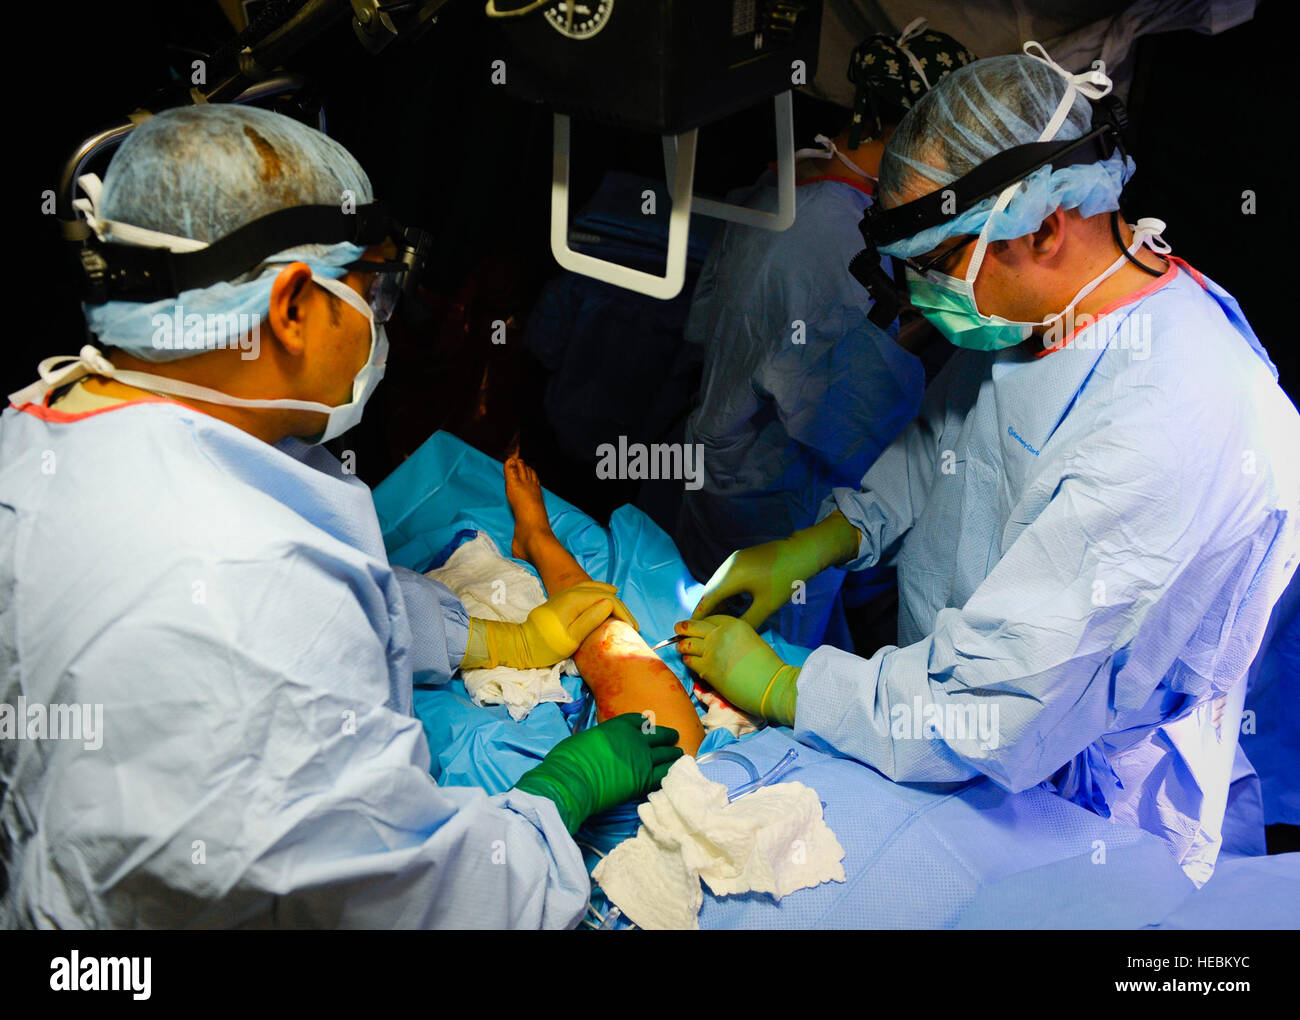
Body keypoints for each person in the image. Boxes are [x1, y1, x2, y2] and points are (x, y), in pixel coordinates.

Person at [0, 104, 681, 928]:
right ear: (290, 306)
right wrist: (549, 806)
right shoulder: (242, 597)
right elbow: (413, 904)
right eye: (375, 293)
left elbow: (330, 573)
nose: (383, 325)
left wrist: (501, 640)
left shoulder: (56, 423)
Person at [676, 44, 1300, 885]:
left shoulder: (1171, 419)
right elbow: (947, 444)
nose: (924, 297)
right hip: (939, 724)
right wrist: (827, 540)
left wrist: (790, 689)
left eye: (936, 266)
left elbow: (995, 713)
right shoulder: (1039, 318)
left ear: (1043, 227)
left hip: (1068, 795)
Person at [674, 20, 974, 650]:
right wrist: (947, 321)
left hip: (719, 456)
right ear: (904, 132)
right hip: (773, 492)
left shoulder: (793, 173)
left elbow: (708, 317)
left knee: (713, 612)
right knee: (755, 658)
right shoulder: (836, 237)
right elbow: (844, 415)